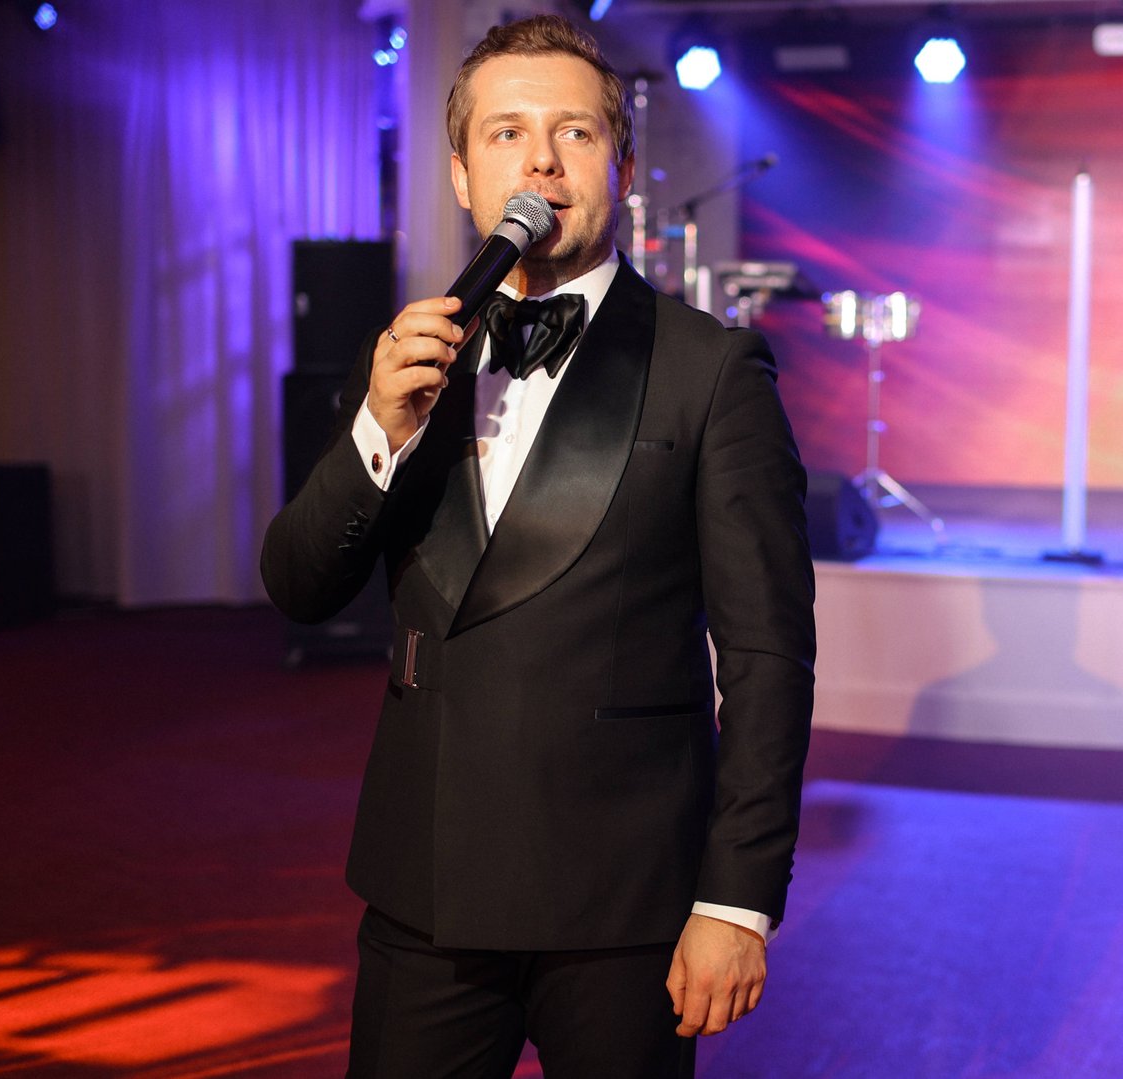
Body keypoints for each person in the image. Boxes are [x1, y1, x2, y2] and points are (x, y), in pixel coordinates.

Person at [260, 15, 816, 1078]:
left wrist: (737, 898)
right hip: (427, 880)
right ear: (463, 175)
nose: (542, 162)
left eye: (574, 132)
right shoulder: (409, 358)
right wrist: (379, 426)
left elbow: (766, 657)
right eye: (507, 133)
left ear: (623, 169)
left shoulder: (710, 371)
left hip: (625, 898)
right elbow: (298, 584)